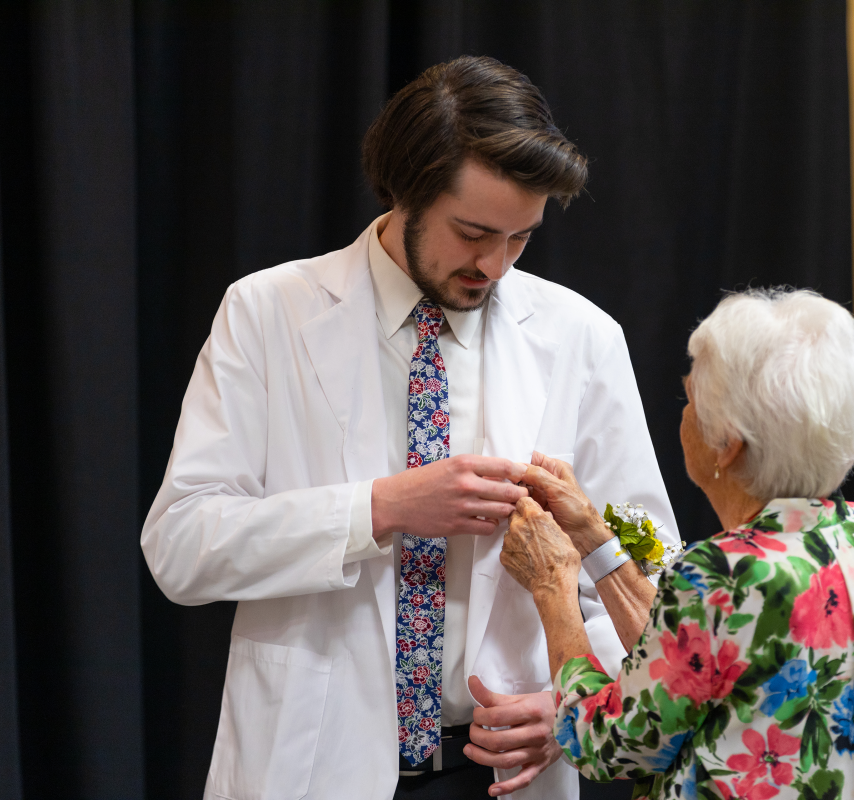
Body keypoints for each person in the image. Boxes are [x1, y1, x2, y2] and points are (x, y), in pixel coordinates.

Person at [140, 55, 678, 800]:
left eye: (520, 239)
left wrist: (579, 705)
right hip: (312, 765)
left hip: (503, 772)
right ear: (405, 192)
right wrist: (380, 509)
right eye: (472, 232)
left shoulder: (582, 338)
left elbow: (649, 574)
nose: (493, 265)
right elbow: (181, 545)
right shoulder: (267, 314)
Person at [501, 289, 854, 799]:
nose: (683, 415)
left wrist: (553, 588)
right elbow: (690, 656)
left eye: (690, 401)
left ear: (727, 446)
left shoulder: (719, 575)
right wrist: (592, 531)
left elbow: (604, 745)